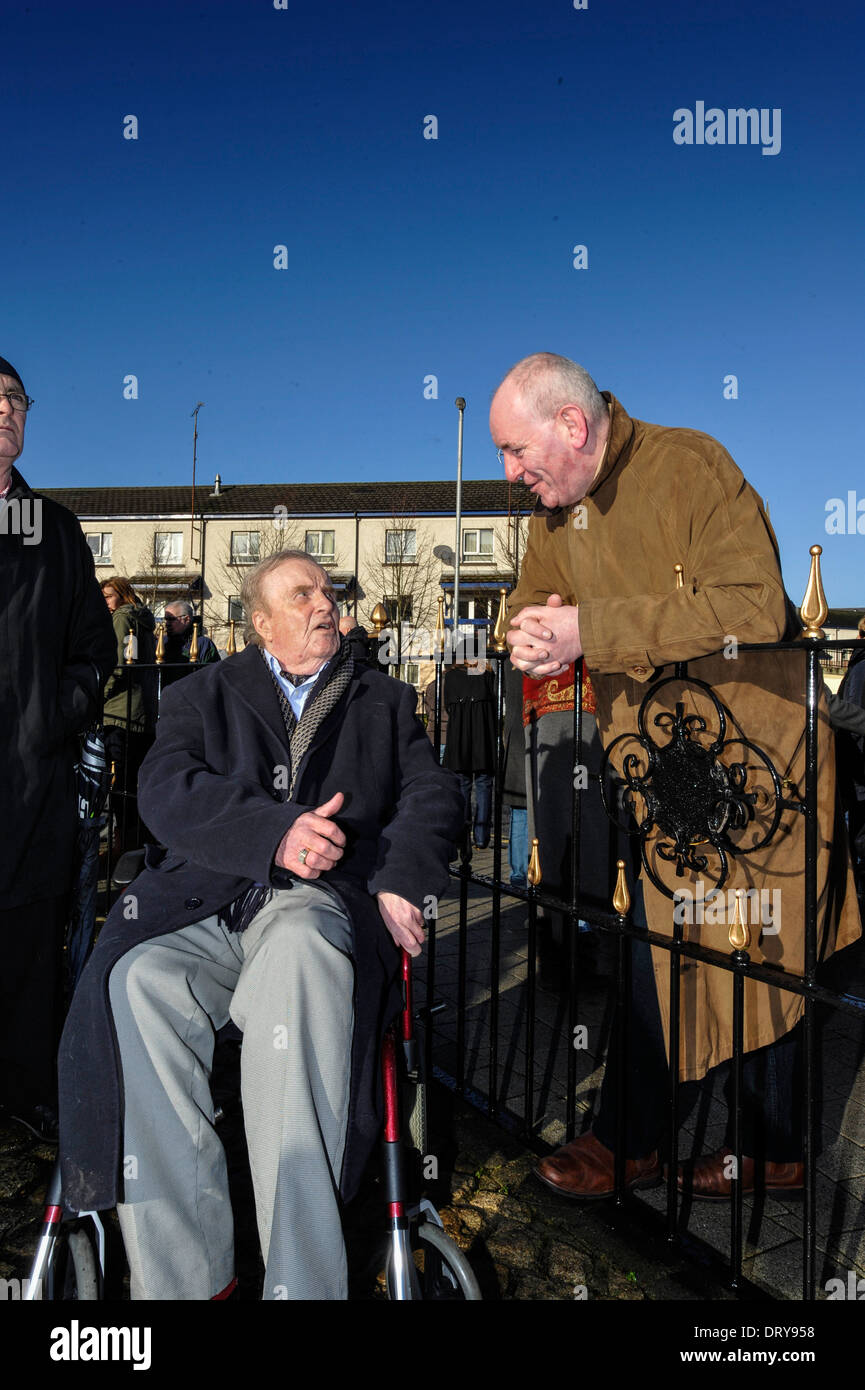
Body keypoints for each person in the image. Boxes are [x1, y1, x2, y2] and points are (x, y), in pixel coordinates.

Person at [492, 352, 861, 1201]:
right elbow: (531, 600)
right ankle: (634, 1139)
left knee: (761, 949)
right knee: (658, 950)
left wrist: (593, 629)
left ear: (572, 426)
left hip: (759, 769)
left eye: (517, 450)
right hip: (660, 772)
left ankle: (766, 1152)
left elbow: (753, 606)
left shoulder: (689, 465)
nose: (511, 473)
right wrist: (529, 631)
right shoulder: (553, 518)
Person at [58, 549, 463, 1299]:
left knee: (299, 956)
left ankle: (301, 1282)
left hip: (319, 903)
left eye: (330, 592)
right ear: (260, 623)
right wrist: (272, 832)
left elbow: (431, 795)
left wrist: (405, 879)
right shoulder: (201, 693)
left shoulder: (382, 698)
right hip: (209, 901)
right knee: (138, 981)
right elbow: (166, 789)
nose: (326, 604)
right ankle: (189, 1282)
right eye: (302, 593)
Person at [0, 354, 115, 1141]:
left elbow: (94, 651)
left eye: (15, 400)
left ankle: (27, 1085)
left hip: (29, 775)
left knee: (31, 941)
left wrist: (50, 716)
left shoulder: (51, 529)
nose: (5, 411)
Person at [100, 576, 157, 850]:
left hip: (119, 714)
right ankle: (134, 846)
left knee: (119, 787)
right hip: (141, 713)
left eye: (108, 597)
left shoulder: (122, 619)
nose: (105, 604)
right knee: (134, 786)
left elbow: (118, 666)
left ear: (122, 596)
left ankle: (123, 849)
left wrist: (97, 697)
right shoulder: (144, 620)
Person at [443, 653, 497, 850]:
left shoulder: (451, 676)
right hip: (483, 738)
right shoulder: (486, 675)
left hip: (459, 738)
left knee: (462, 786)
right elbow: (495, 706)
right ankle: (481, 837)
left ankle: (461, 835)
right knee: (484, 785)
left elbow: (448, 706)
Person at [160, 599, 220, 686]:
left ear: (186, 619)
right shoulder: (162, 643)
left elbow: (212, 678)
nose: (167, 624)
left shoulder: (203, 644)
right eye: (166, 619)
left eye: (171, 619)